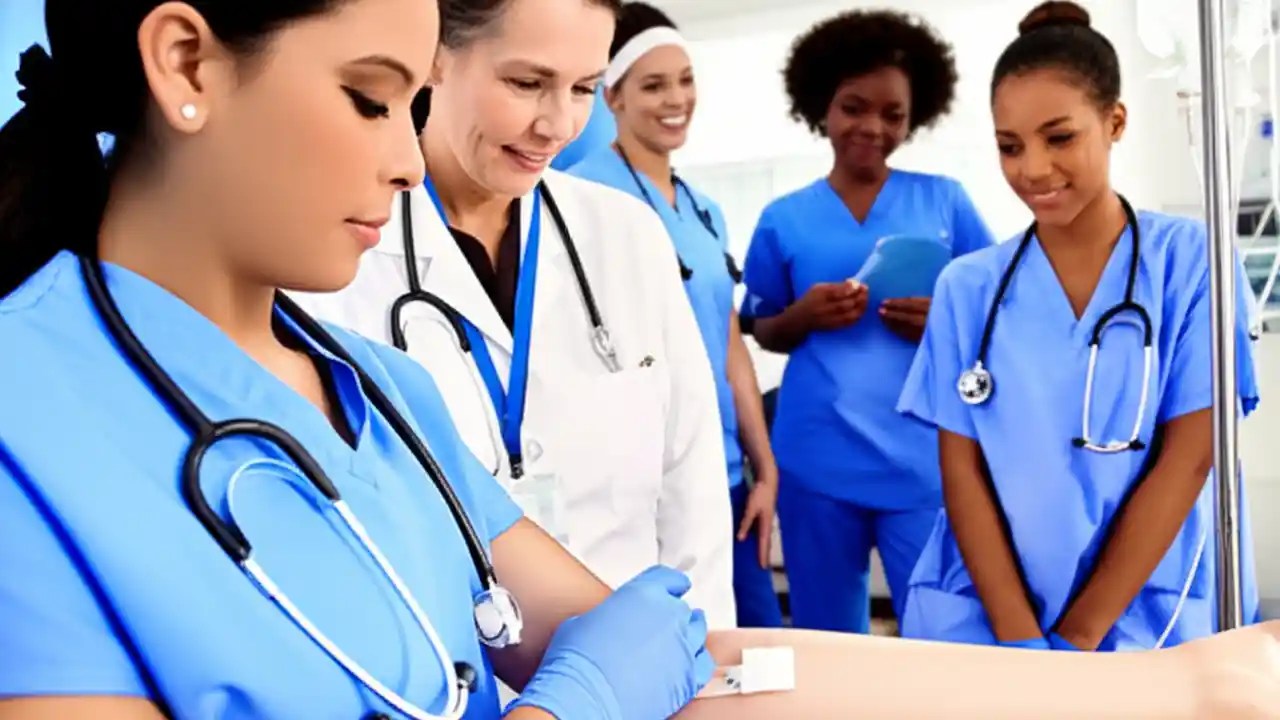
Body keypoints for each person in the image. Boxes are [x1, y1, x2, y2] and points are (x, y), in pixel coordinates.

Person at [5, 3, 1280, 719]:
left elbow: (680, 657)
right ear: (184, 62)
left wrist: (1173, 692)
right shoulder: (26, 434)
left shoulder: (378, 394)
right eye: (369, 97)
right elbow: (601, 679)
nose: (404, 159)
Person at [293, 0, 738, 627]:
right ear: (434, 57)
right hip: (441, 672)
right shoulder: (334, 253)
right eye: (527, 84)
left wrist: (701, 660)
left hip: (637, 673)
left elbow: (691, 486)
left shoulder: (625, 235)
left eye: (585, 88)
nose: (558, 125)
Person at [896, 1, 1263, 652]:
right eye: (1011, 147)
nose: (1033, 169)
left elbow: (1190, 457)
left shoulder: (1191, 262)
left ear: (1114, 121)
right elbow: (962, 470)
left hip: (1141, 616)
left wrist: (1077, 638)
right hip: (988, 617)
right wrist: (1021, 640)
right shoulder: (968, 287)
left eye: (1059, 137)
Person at [738, 9, 996, 635]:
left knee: (939, 633)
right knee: (828, 637)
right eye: (855, 107)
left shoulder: (945, 202)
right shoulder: (784, 218)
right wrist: (803, 314)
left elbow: (997, 310)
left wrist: (945, 321)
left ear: (916, 118)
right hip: (816, 458)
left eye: (893, 115)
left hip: (923, 459)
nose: (872, 127)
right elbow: (760, 327)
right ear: (821, 106)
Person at [567, 1, 783, 630]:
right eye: (654, 84)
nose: (676, 98)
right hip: (641, 482)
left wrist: (762, 463)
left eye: (685, 80)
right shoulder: (581, 197)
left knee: (756, 644)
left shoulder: (704, 209)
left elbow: (728, 338)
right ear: (612, 95)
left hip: (724, 473)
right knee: (665, 648)